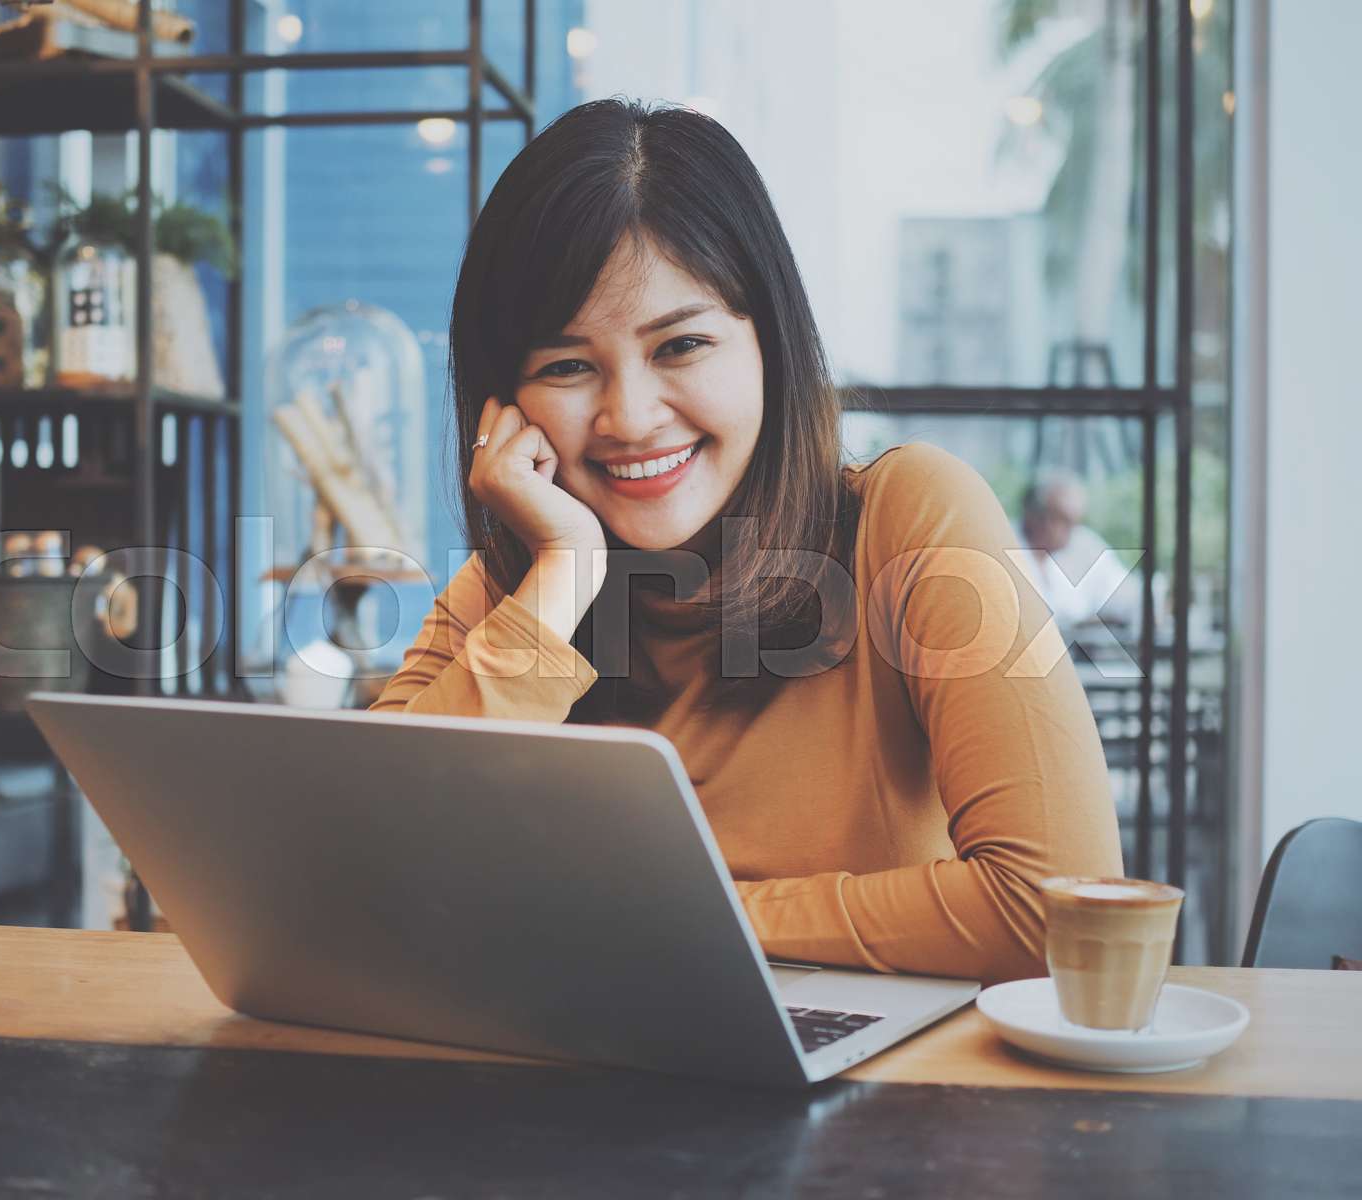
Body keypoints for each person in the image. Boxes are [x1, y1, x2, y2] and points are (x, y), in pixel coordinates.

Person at [369, 99, 1121, 985]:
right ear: (505, 409)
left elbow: (1057, 907)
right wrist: (564, 576)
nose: (631, 418)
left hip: (869, 1100)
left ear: (770, 343)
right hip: (579, 1091)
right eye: (567, 366)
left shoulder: (910, 518)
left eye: (682, 344)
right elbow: (366, 874)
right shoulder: (528, 584)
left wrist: (673, 918)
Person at [1014, 471, 1143, 636]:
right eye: (1062, 519)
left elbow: (1128, 596)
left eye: (1075, 520)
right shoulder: (1003, 543)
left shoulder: (1083, 544)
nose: (1071, 529)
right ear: (1033, 514)